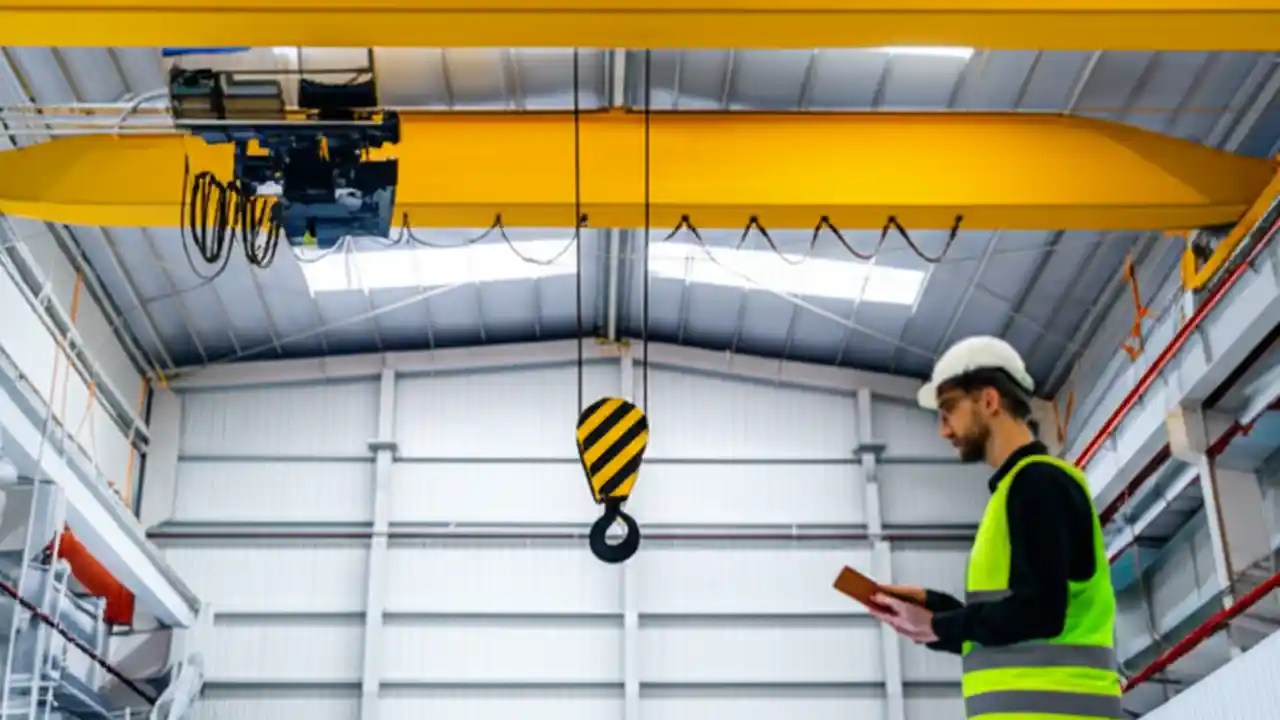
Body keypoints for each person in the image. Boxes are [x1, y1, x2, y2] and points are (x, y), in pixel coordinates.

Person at [869, 335, 1122, 720]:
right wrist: (937, 612)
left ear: (989, 401)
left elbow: (1040, 612)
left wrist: (940, 624)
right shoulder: (1016, 490)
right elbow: (1020, 626)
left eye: (949, 410)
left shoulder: (1037, 483)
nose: (944, 430)